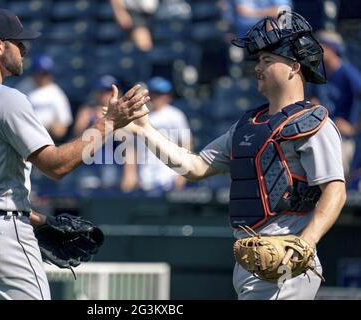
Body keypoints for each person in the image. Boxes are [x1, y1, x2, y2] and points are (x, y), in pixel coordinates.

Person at [122, 11, 346, 299]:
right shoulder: (248, 126)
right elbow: (195, 166)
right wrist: (144, 130)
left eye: (266, 60)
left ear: (293, 67)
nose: (257, 68)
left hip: (286, 260)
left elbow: (335, 191)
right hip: (249, 261)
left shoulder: (313, 124)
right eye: (258, 61)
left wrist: (305, 243)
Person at [0, 8, 149, 300]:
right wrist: (109, 122)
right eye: (18, 44)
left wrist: (34, 218)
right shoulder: (6, 99)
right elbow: (56, 166)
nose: (24, 50)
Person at [121, 77, 191, 193]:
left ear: (168, 96)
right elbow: (132, 147)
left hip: (169, 177)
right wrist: (130, 173)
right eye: (153, 93)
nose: (156, 97)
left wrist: (182, 175)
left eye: (159, 93)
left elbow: (186, 144)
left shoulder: (176, 115)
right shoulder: (140, 116)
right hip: (145, 177)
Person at [310, 30, 361, 175]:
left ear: (332, 48)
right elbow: (314, 100)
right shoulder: (319, 72)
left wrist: (354, 128)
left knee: (338, 181)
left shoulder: (347, 72)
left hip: (342, 140)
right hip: (322, 136)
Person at [27, 54, 73, 142]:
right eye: (40, 73)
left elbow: (62, 128)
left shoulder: (57, 94)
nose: (42, 76)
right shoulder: (24, 87)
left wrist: (48, 128)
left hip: (45, 138)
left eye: (45, 73)